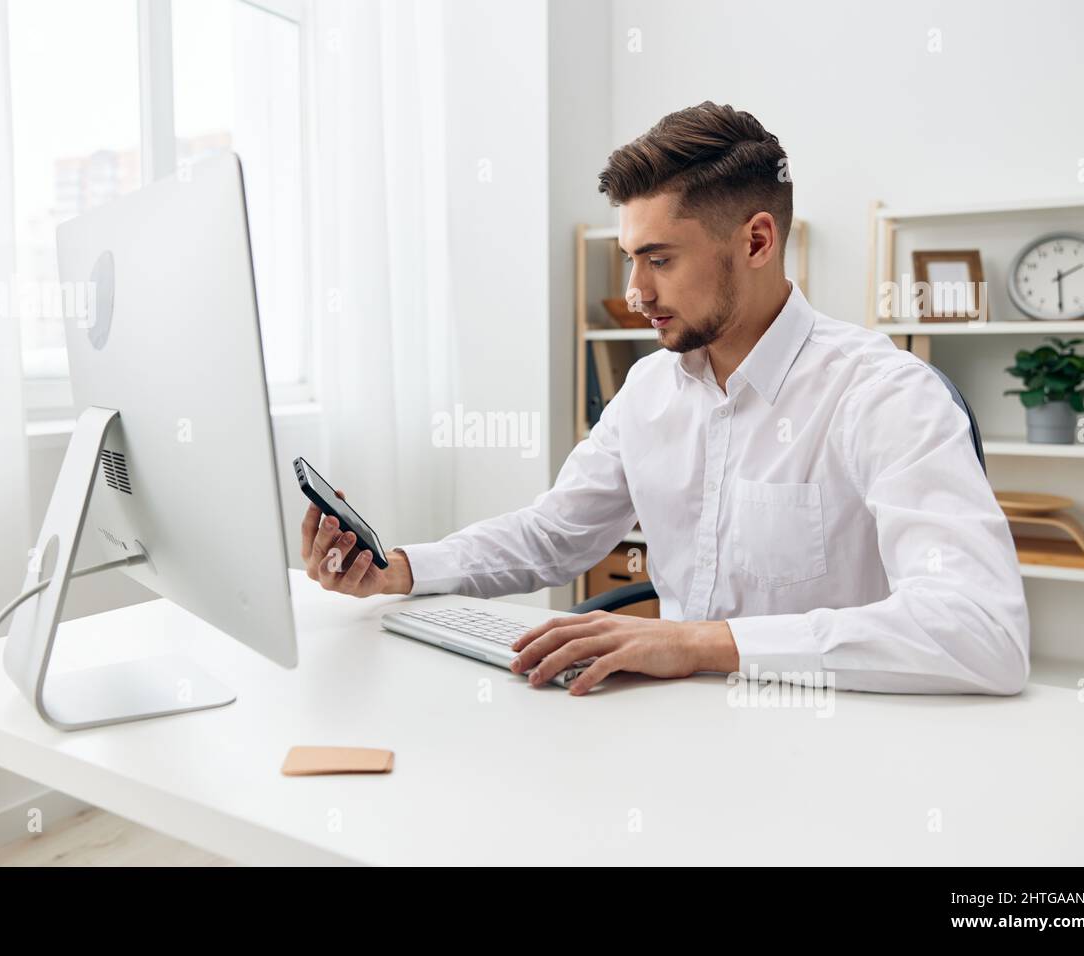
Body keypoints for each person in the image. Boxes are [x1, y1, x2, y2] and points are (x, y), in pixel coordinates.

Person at [300, 101, 1030, 697]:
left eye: (660, 260)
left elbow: (980, 629)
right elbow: (554, 535)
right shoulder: (652, 387)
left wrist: (695, 644)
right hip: (668, 730)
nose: (635, 293)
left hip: (825, 735)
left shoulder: (883, 393)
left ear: (756, 241)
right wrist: (400, 568)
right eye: (630, 259)